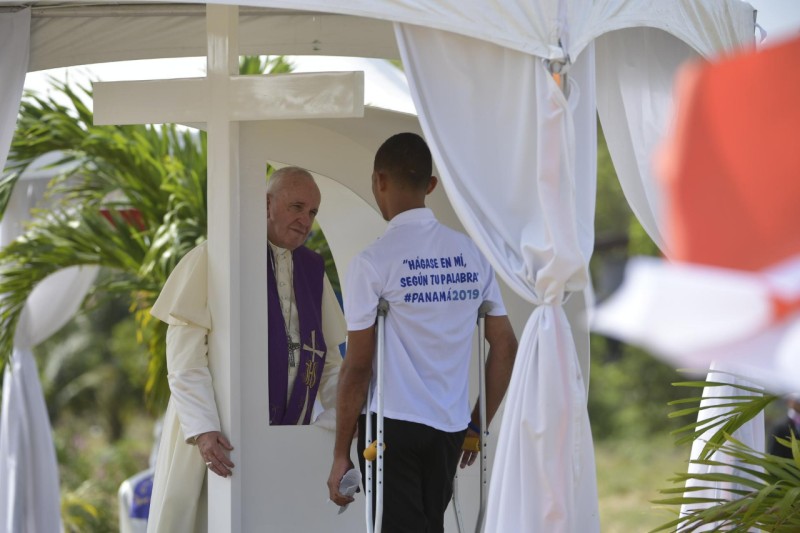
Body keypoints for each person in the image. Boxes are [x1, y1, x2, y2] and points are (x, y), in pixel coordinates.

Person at [326, 133, 518, 532]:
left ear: (379, 180)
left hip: (392, 425)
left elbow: (358, 367)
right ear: (431, 185)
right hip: (448, 428)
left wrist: (341, 453)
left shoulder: (373, 262)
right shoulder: (472, 255)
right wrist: (477, 424)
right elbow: (504, 346)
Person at [146, 166, 346, 533]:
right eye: (297, 207)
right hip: (217, 436)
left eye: (313, 212)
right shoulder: (215, 257)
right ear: (267, 204)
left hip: (286, 439)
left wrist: (332, 425)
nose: (306, 221)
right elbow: (184, 361)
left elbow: (330, 360)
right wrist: (205, 430)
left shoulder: (312, 269)